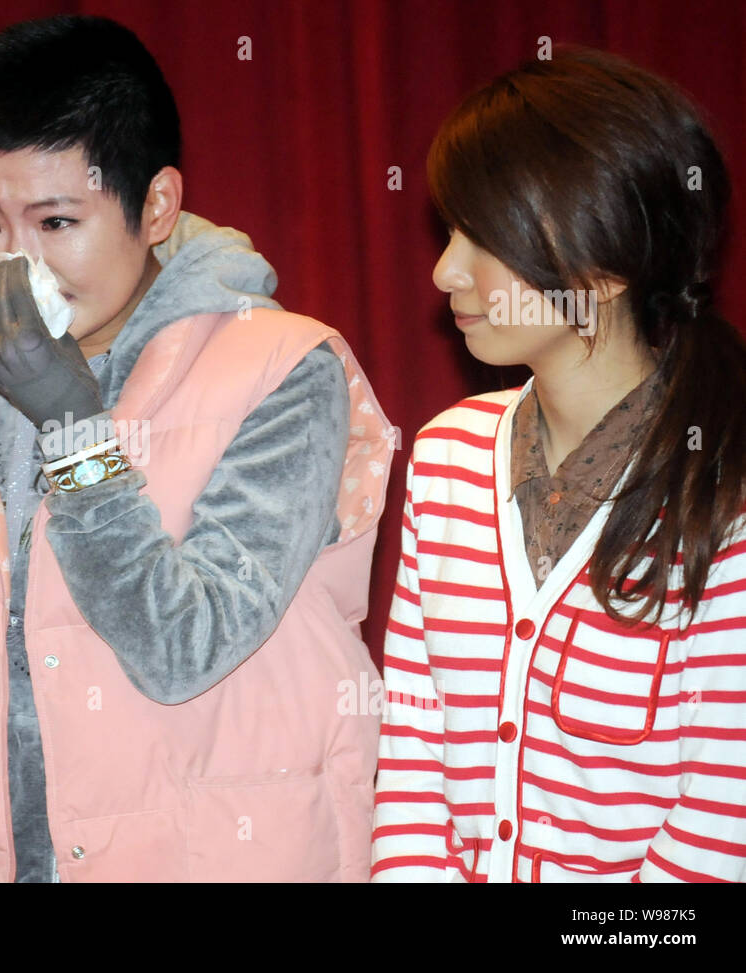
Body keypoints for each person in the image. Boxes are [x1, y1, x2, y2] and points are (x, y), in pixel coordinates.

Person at [0, 14, 393, 883]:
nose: (13, 267)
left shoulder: (284, 368)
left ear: (157, 204)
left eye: (56, 222)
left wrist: (72, 432)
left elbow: (184, 651)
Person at [371, 48, 746, 882]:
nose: (444, 270)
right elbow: (413, 748)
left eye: (482, 235)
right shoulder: (446, 455)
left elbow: (721, 818)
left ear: (602, 264)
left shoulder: (724, 486)